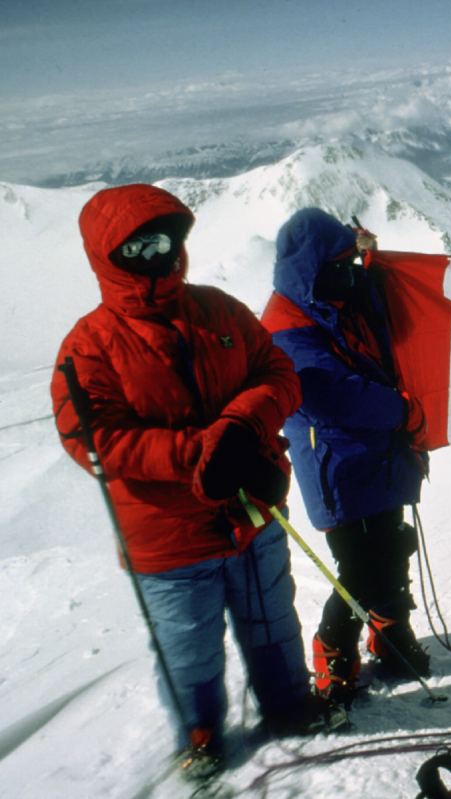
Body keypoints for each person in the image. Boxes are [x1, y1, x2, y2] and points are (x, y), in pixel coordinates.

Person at [51, 185, 339, 781]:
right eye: (137, 245)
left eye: (166, 239)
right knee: (189, 650)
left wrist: (242, 426)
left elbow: (278, 372)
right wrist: (198, 453)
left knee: (272, 622)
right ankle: (201, 735)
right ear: (108, 257)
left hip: (250, 508)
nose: (158, 254)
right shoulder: (88, 347)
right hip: (167, 537)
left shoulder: (220, 311)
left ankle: (288, 706)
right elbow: (95, 439)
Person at [261, 208, 430, 705]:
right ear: (312, 270)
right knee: (359, 568)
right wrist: (403, 411)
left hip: (377, 457)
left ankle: (391, 635)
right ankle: (332, 648)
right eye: (339, 264)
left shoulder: (332, 300)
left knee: (393, 545)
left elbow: (377, 312)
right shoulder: (284, 329)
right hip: (337, 466)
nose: (349, 273)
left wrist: (369, 261)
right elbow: (334, 396)